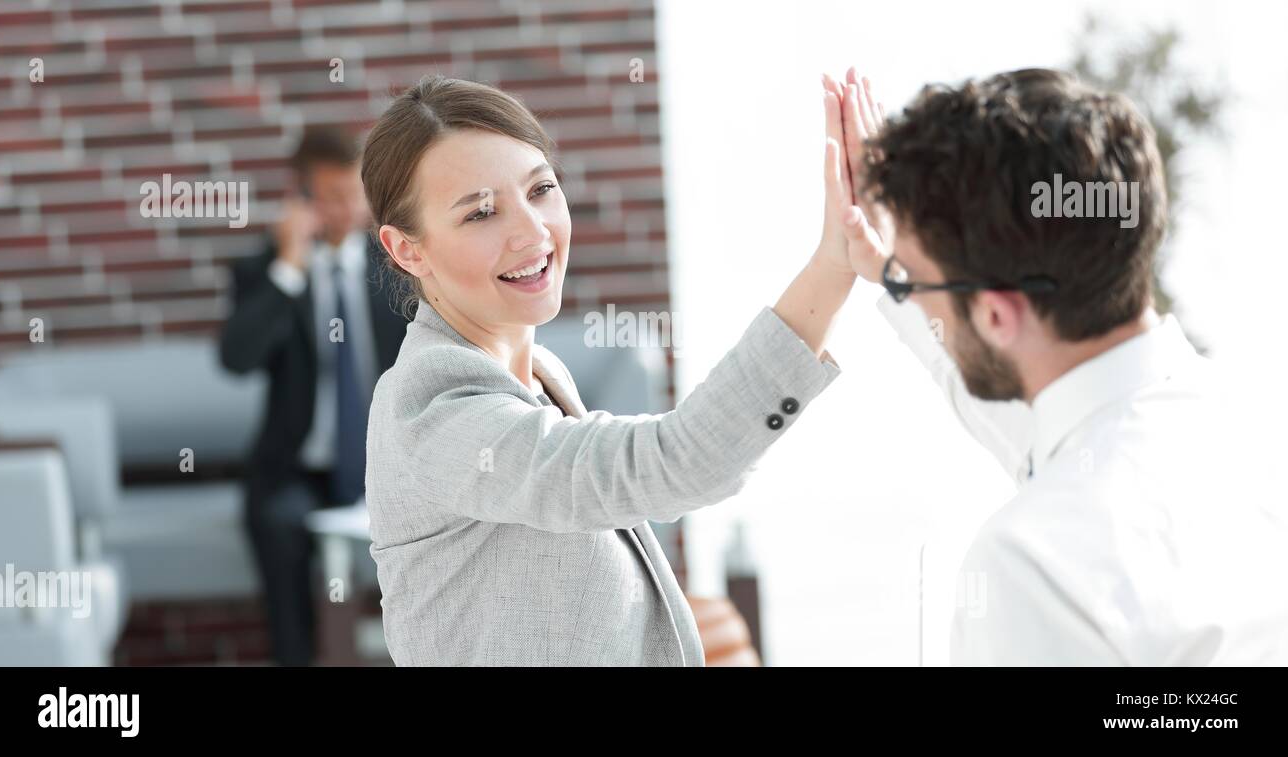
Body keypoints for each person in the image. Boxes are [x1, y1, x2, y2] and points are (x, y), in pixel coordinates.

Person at [361, 73, 877, 665]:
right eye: (480, 213)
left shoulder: (540, 377)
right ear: (408, 249)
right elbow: (676, 462)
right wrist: (834, 265)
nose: (532, 232)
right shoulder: (432, 405)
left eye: (540, 189)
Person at [832, 67, 1288, 664]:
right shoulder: (1250, 423)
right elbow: (1035, 424)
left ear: (996, 316)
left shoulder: (1031, 567)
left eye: (912, 281)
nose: (910, 293)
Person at [219, 127, 408, 666]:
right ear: (301, 197)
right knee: (278, 529)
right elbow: (236, 360)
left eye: (355, 194)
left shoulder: (396, 264)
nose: (348, 209)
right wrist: (289, 269)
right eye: (331, 196)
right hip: (296, 469)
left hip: (390, 462)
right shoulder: (266, 270)